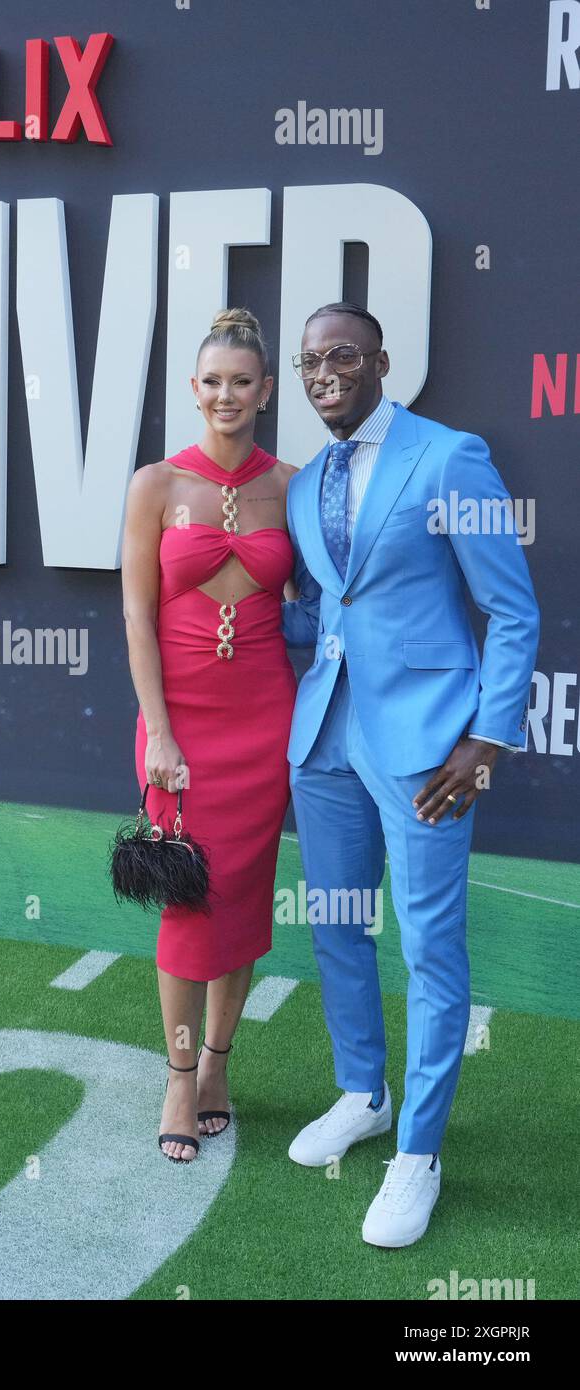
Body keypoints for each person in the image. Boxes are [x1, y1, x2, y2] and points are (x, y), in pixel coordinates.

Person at [281, 302, 539, 1244]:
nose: (323, 372)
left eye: (341, 354)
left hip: (429, 746)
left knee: (430, 951)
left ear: (381, 360)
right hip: (325, 739)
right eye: (309, 361)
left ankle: (417, 1154)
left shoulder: (449, 455)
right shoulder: (306, 483)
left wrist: (485, 739)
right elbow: (323, 614)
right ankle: (363, 1093)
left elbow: (511, 610)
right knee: (338, 929)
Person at [121, 307, 298, 1163]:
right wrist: (158, 730)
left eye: (242, 381)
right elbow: (134, 612)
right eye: (211, 381)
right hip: (179, 728)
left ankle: (221, 1065)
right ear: (194, 390)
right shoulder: (155, 483)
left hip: (266, 723)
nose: (225, 394)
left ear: (264, 390)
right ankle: (179, 1076)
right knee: (189, 904)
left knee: (241, 905)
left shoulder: (295, 484)